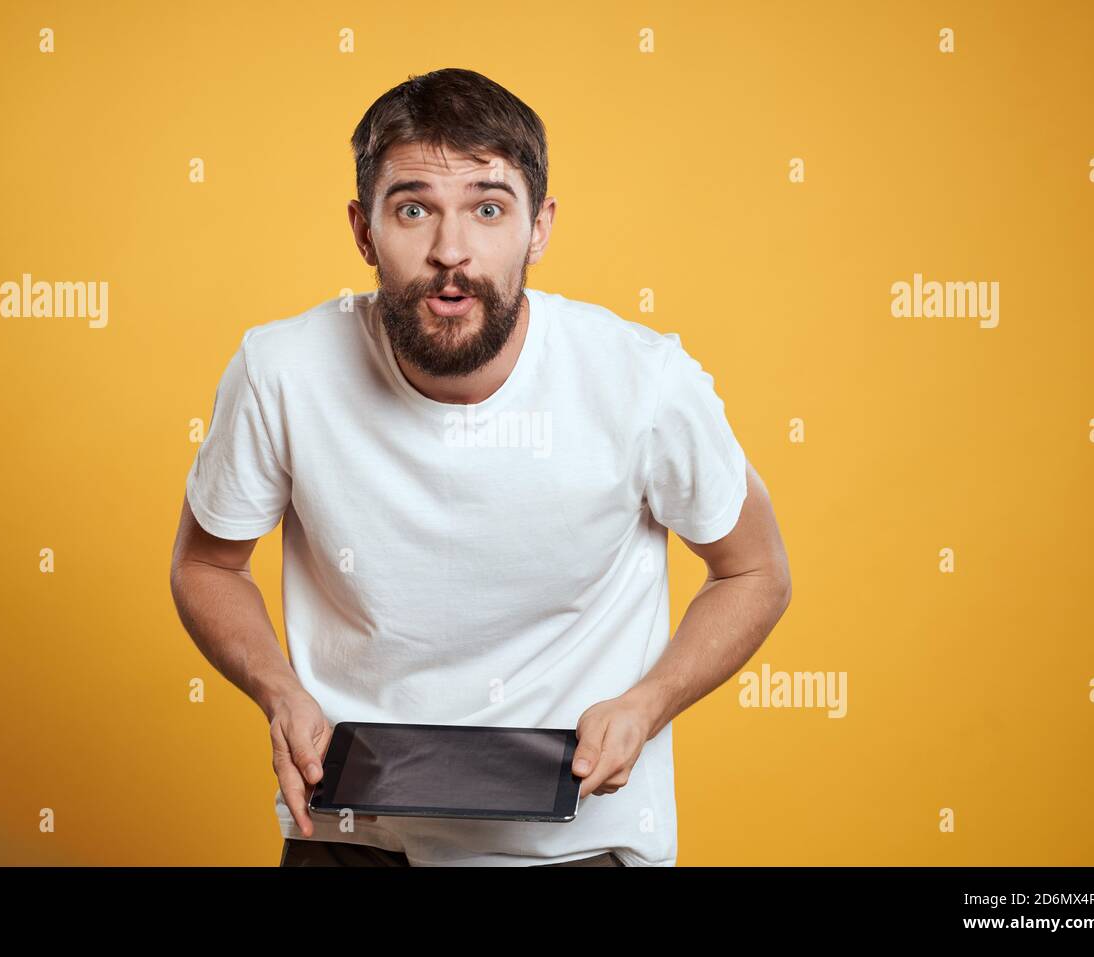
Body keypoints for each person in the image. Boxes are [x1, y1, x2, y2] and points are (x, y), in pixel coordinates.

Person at [169, 67, 791, 867]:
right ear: (364, 231)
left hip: (577, 845)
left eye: (488, 208)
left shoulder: (643, 381)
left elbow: (755, 571)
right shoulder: (279, 370)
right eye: (414, 208)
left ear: (539, 227)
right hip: (352, 836)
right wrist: (279, 691)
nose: (450, 251)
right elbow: (206, 564)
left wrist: (646, 704)